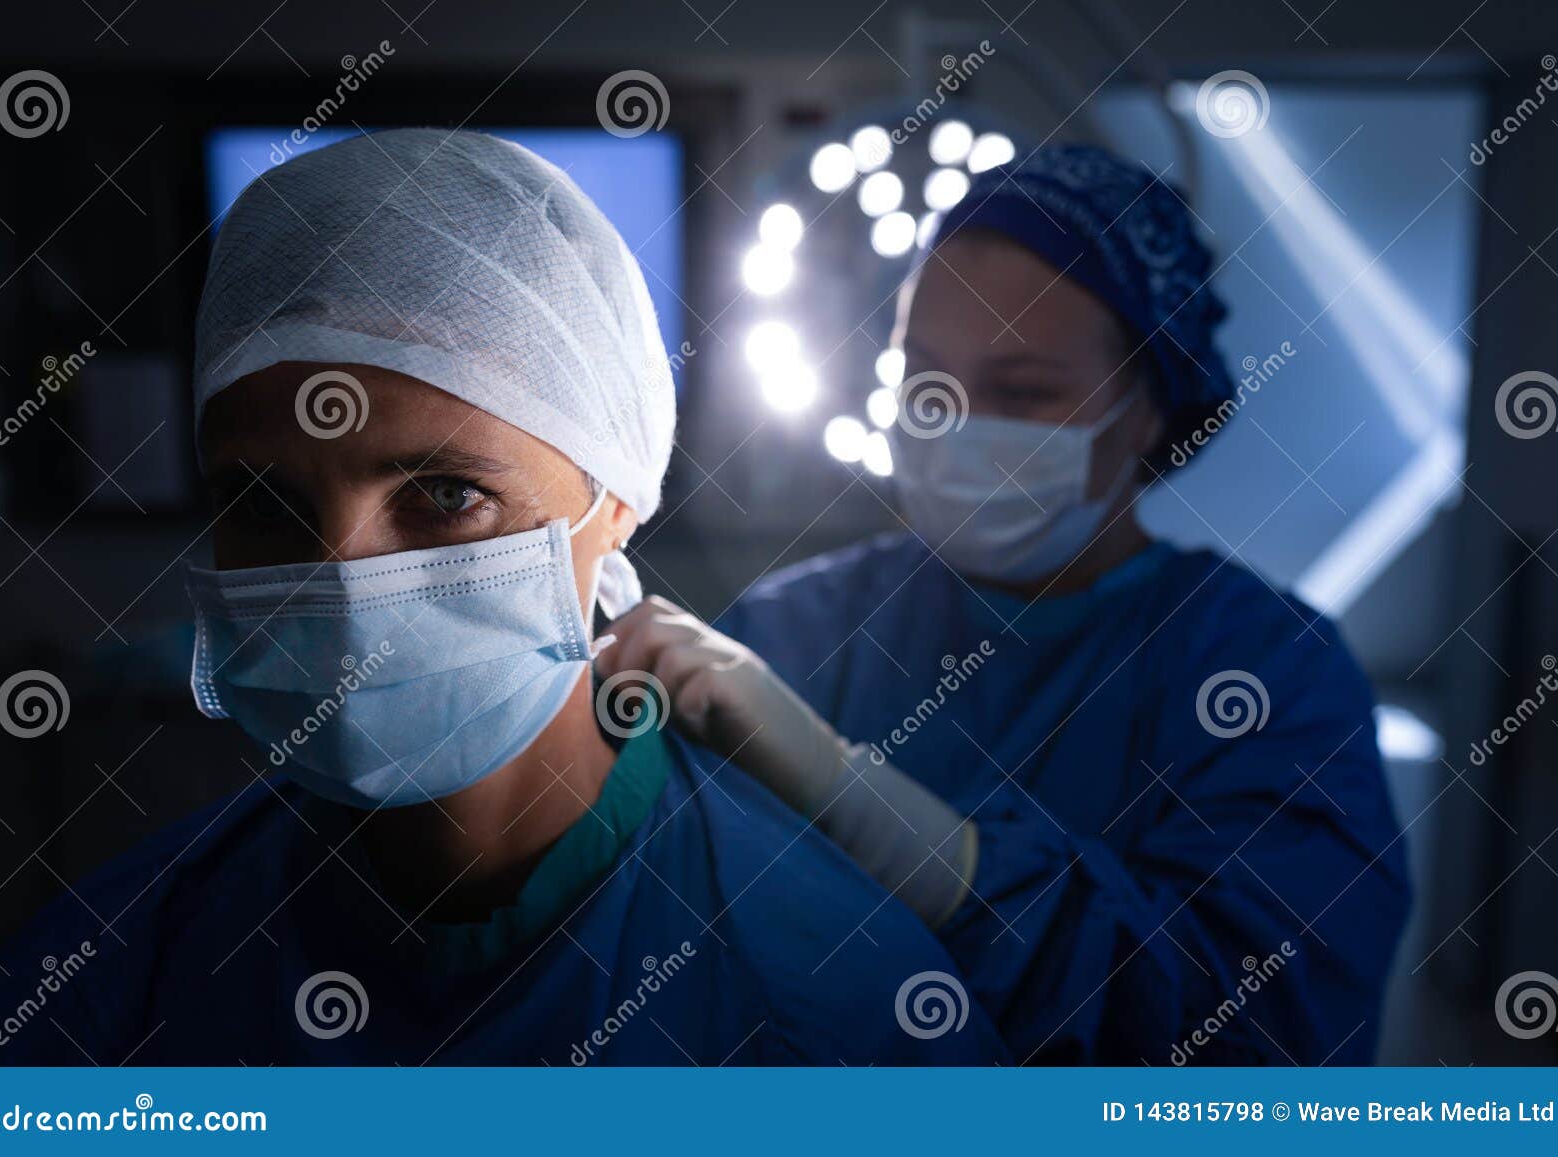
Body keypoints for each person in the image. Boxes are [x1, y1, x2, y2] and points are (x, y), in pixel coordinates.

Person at [0, 129, 1006, 1067]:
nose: (343, 578)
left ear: (613, 505)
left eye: (444, 495)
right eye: (265, 502)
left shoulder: (836, 1012)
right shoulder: (102, 982)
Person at [599, 144, 1411, 1064]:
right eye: (926, 378)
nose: (952, 421)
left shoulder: (1266, 673)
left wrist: (869, 809)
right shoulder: (794, 629)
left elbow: (1261, 1043)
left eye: (1021, 392)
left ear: (1149, 406)